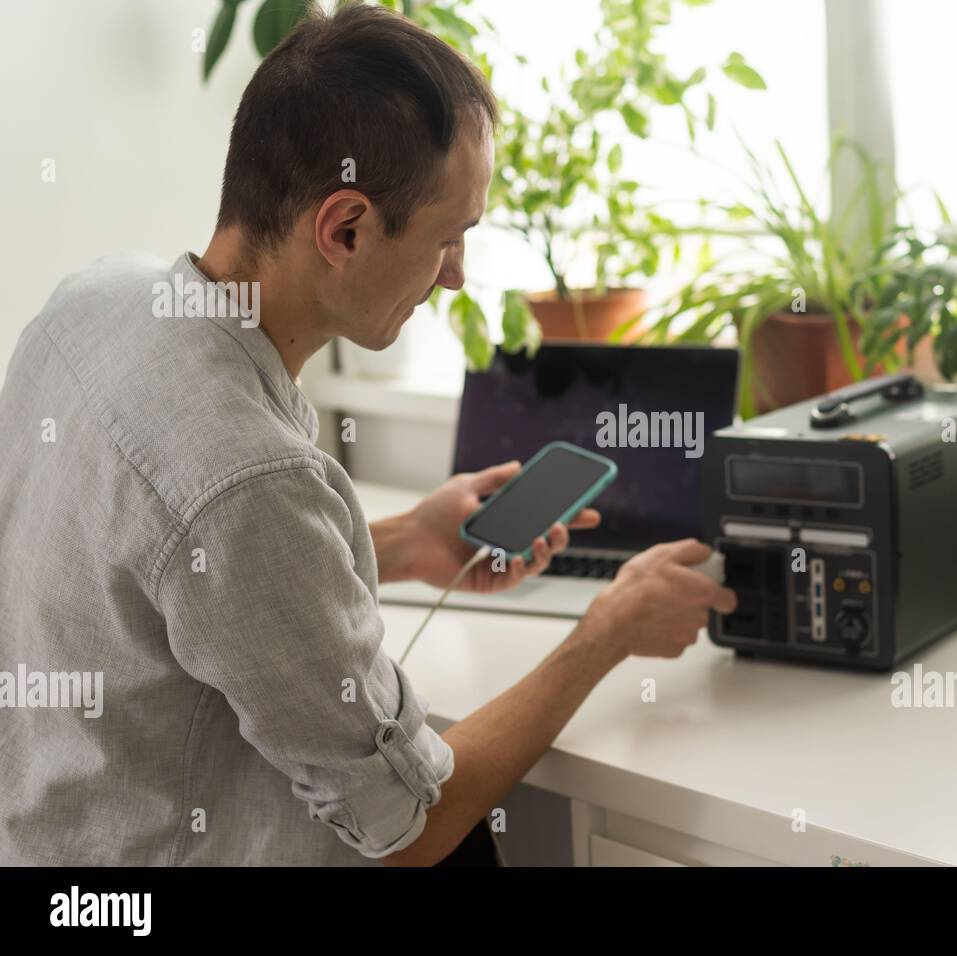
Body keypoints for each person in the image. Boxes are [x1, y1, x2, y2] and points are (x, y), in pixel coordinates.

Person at [0, 3, 735, 866]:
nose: (458, 276)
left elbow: (175, 585)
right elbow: (409, 831)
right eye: (447, 238)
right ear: (344, 228)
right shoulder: (250, 478)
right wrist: (607, 632)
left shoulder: (95, 300)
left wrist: (410, 543)